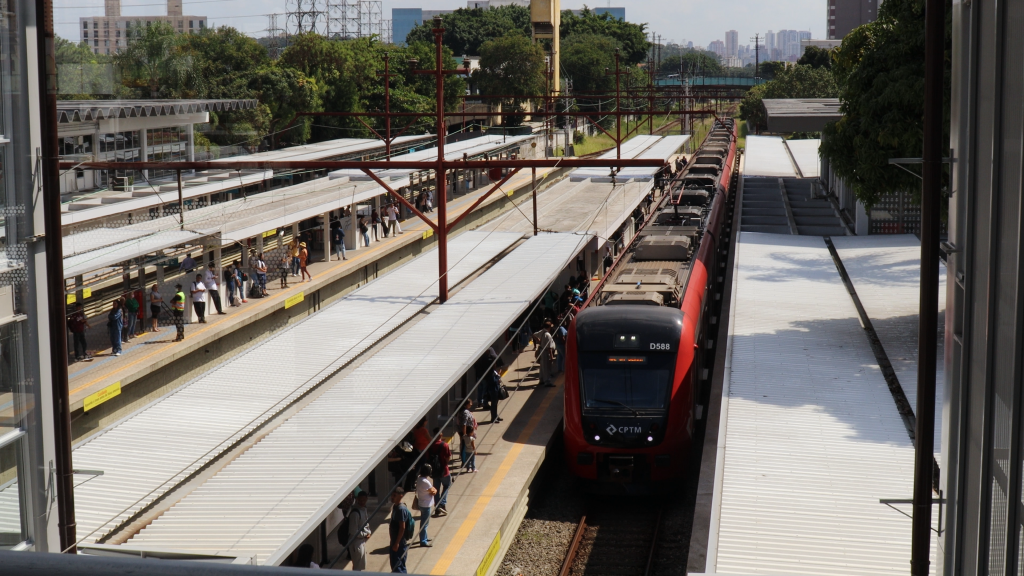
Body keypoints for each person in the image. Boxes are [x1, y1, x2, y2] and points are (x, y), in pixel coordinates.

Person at [428, 430, 451, 517]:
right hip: (444, 470)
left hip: (434, 471)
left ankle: (437, 506)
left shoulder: (430, 445)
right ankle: (442, 503)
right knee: (447, 485)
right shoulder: (444, 445)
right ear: (441, 434)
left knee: (436, 489)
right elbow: (448, 458)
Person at [347, 491, 372, 570]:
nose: (362, 502)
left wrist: (368, 532)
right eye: (360, 500)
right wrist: (365, 534)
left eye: (364, 500)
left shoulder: (364, 509)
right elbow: (353, 531)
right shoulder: (355, 513)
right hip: (356, 543)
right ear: (357, 499)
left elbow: (366, 523)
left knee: (361, 564)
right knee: (357, 566)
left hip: (361, 541)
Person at [388, 488, 412, 573]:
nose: (392, 497)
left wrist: (397, 543)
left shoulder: (401, 509)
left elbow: (402, 528)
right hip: (394, 541)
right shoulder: (395, 506)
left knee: (398, 567)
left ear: (401, 496)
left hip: (399, 543)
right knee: (395, 566)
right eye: (392, 495)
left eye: (394, 495)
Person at [414, 464, 436, 547]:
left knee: (424, 522)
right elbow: (433, 491)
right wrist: (434, 489)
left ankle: (425, 537)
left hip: (422, 503)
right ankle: (423, 540)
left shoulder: (419, 478)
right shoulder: (425, 482)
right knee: (424, 523)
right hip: (426, 505)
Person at [457, 400, 477, 472]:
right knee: (466, 446)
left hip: (467, 432)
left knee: (464, 446)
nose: (471, 405)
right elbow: (464, 424)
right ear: (466, 404)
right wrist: (465, 435)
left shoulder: (464, 411)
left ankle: (465, 461)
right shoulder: (465, 412)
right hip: (466, 432)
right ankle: (464, 461)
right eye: (470, 404)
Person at [534, 323, 556, 387]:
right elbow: (549, 347)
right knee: (546, 367)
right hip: (546, 352)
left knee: (542, 366)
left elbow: (534, 334)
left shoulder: (542, 331)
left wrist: (538, 340)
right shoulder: (548, 335)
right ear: (549, 327)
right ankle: (547, 381)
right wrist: (551, 357)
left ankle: (541, 379)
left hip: (541, 350)